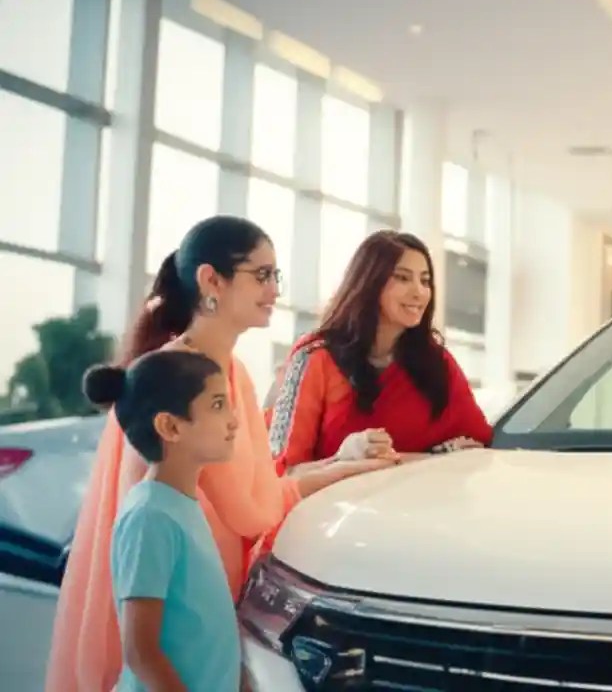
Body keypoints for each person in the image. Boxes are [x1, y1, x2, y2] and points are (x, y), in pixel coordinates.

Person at [46, 216, 394, 692]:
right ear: (212, 280)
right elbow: (253, 509)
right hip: (179, 620)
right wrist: (342, 470)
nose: (274, 289)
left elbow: (262, 486)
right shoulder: (172, 383)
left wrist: (343, 465)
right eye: (262, 274)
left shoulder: (230, 373)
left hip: (214, 610)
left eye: (276, 276)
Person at [269, 230, 492, 473]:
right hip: (334, 507)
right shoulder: (315, 358)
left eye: (425, 280)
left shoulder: (437, 362)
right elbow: (282, 472)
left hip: (422, 505)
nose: (419, 292)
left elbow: (477, 448)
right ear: (370, 283)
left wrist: (423, 458)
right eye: (403, 278)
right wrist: (344, 460)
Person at [85, 351, 242, 691]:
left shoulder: (182, 504)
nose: (234, 420)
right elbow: (141, 653)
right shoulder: (150, 517)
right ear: (170, 426)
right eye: (217, 405)